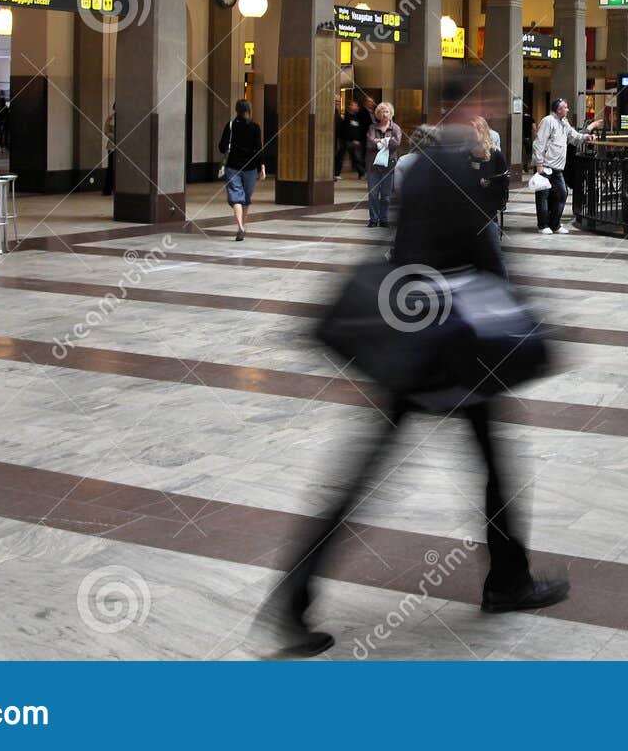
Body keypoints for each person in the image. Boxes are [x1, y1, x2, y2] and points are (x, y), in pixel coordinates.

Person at [266, 71, 568, 659]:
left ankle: (294, 596)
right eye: (480, 100)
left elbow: (403, 253)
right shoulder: (456, 169)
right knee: (482, 470)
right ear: (468, 105)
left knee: (371, 475)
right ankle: (507, 580)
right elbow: (486, 258)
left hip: (416, 340)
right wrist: (524, 320)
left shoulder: (419, 166)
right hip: (453, 349)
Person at [533, 97, 599, 234]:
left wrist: (586, 137)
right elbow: (539, 143)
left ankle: (555, 224)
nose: (568, 109)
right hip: (545, 166)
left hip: (557, 168)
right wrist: (539, 164)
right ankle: (543, 225)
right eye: (565, 107)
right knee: (543, 196)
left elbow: (574, 136)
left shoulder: (564, 123)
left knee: (562, 194)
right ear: (558, 109)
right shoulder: (548, 121)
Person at [218, 99, 267, 242]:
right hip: (250, 168)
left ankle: (240, 226)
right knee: (245, 198)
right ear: (249, 111)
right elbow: (259, 149)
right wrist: (261, 167)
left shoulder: (231, 126)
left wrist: (230, 147)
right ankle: (242, 225)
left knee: (236, 197)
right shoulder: (255, 127)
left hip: (232, 167)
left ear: (236, 110)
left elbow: (221, 147)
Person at [469, 115, 509, 269]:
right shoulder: (465, 155)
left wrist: (488, 185)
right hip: (468, 210)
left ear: (482, 131)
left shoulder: (495, 155)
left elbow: (504, 182)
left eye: (472, 132)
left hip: (487, 211)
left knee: (494, 256)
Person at [364, 102, 403, 228]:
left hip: (389, 165)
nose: (384, 114)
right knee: (373, 193)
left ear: (391, 114)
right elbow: (369, 143)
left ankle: (384, 218)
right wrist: (385, 141)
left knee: (386, 196)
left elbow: (396, 144)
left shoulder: (395, 128)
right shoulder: (372, 128)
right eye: (381, 112)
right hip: (373, 165)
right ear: (378, 114)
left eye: (387, 111)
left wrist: (379, 141)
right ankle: (373, 219)